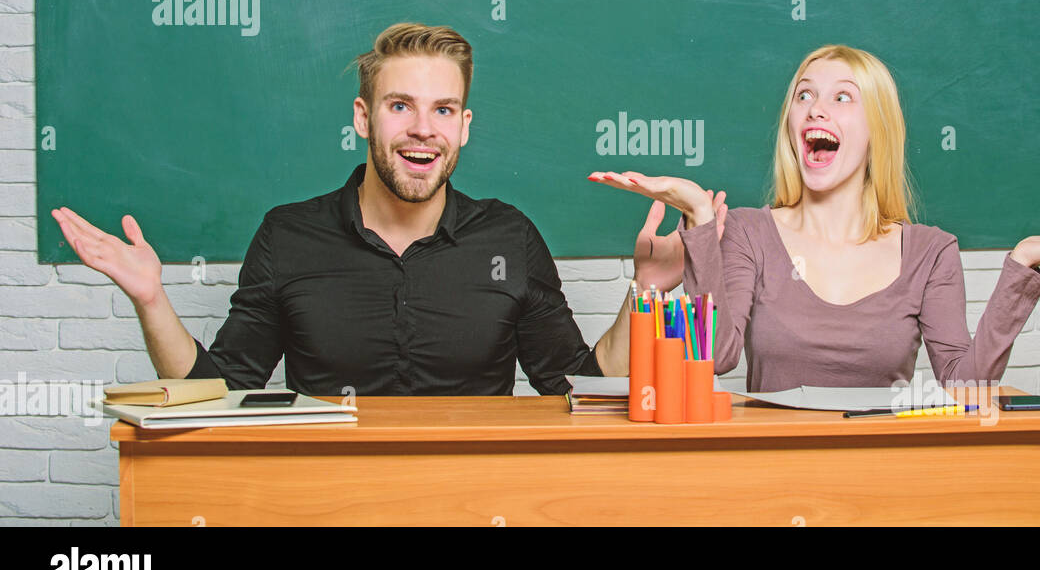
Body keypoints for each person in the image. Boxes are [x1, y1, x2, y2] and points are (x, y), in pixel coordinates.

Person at [50, 23, 700, 395]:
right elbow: (214, 394)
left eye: (442, 110)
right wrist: (150, 300)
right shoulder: (287, 236)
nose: (423, 129)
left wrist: (643, 295)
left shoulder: (510, 237)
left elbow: (580, 391)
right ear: (364, 116)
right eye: (400, 106)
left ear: (464, 125)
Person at [591, 44, 1040, 392]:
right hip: (770, 484)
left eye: (841, 98)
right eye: (804, 96)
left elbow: (965, 389)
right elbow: (717, 360)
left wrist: (1021, 267)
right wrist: (703, 220)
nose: (815, 109)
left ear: (878, 131)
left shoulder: (930, 251)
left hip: (884, 487)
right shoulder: (753, 233)